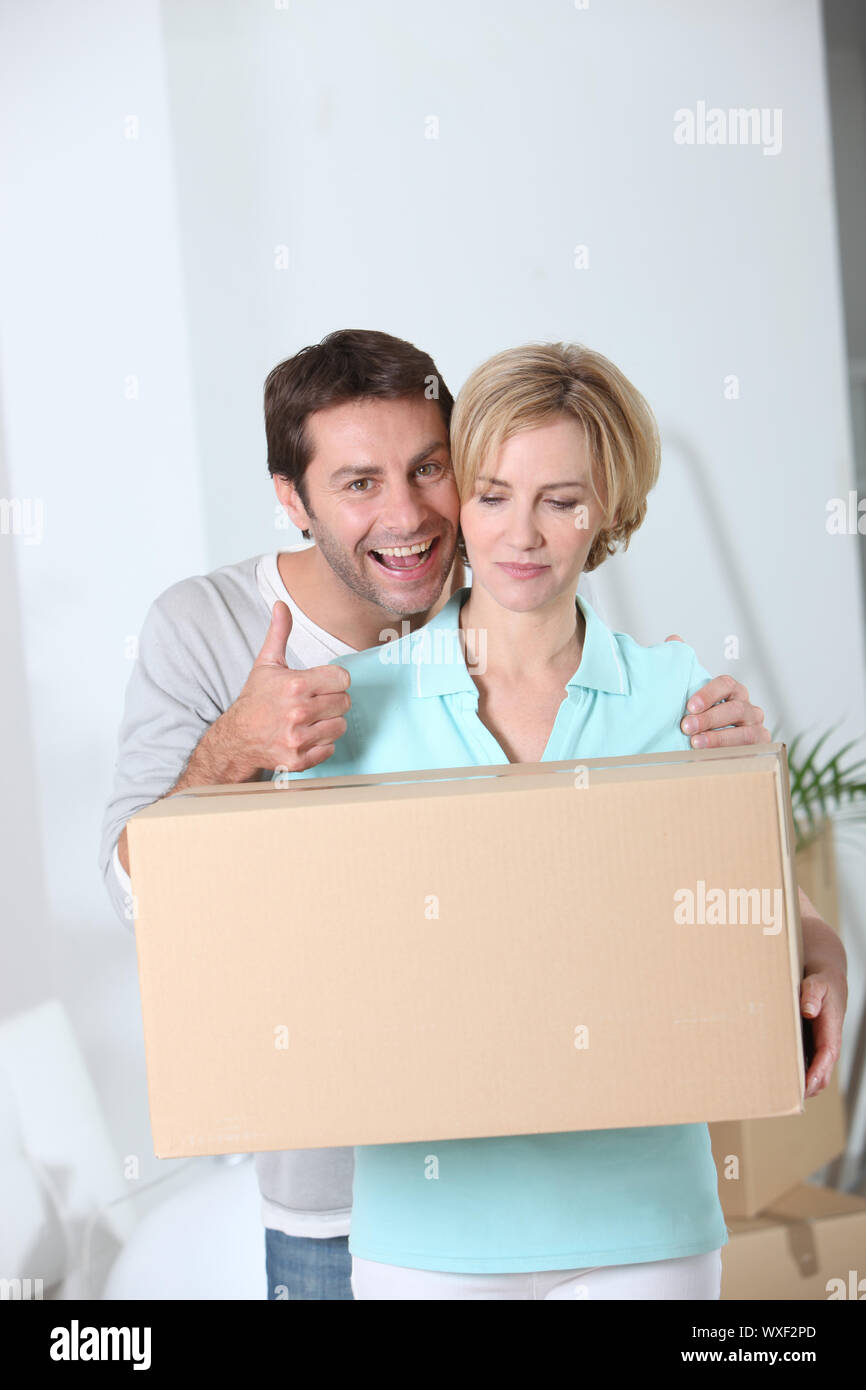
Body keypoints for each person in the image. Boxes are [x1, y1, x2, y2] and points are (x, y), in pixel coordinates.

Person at [98, 329, 837, 1302]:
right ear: (295, 499)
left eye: (557, 500)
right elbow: (207, 920)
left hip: (640, 1221)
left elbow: (723, 915)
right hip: (390, 1215)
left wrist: (811, 941)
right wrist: (239, 748)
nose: (512, 531)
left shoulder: (671, 690)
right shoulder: (309, 688)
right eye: (491, 495)